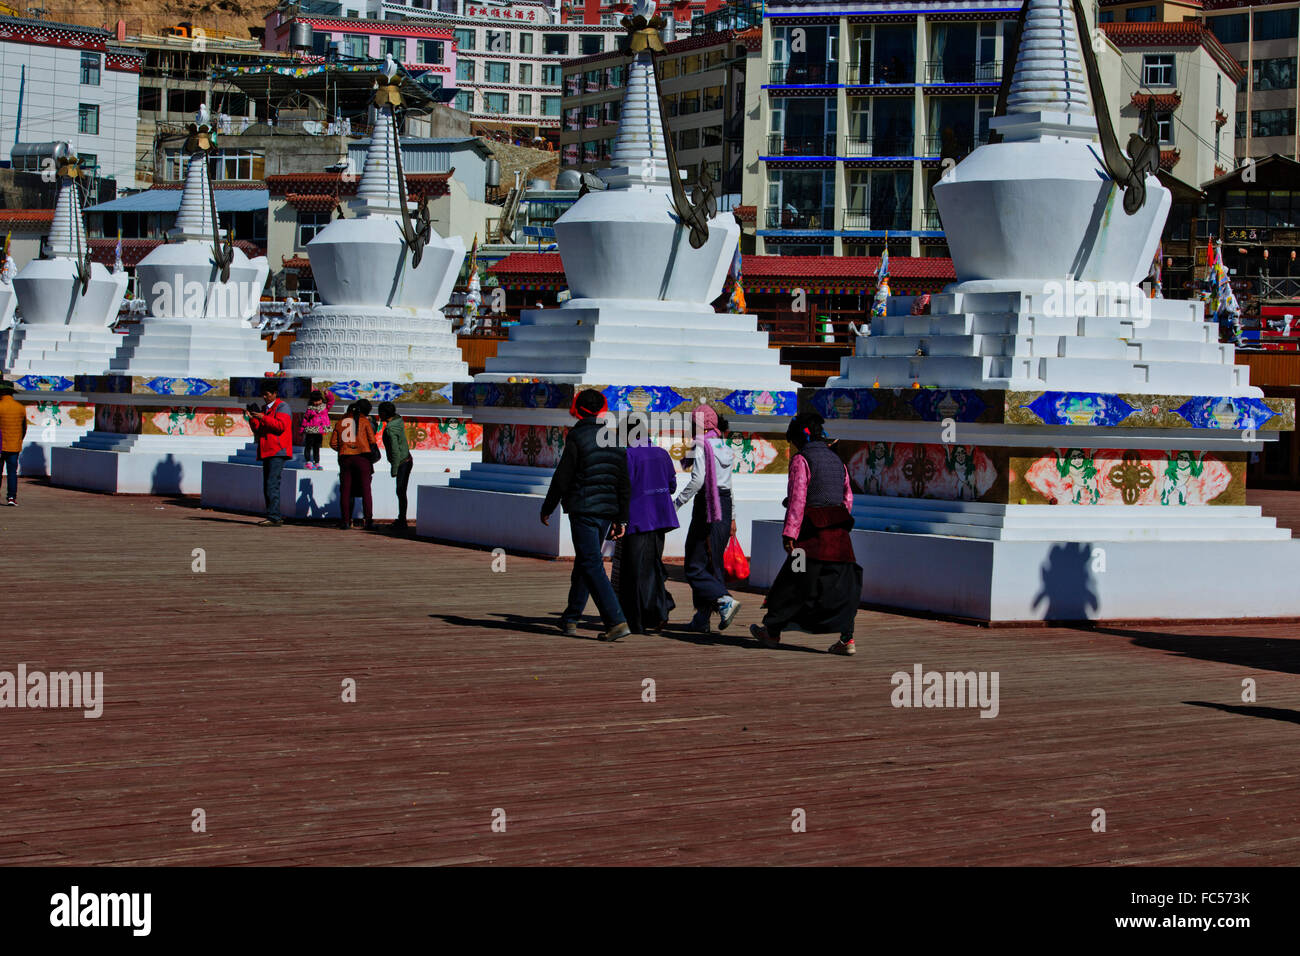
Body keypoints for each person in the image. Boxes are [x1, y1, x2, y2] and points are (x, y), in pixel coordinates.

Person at [751, 412, 863, 656]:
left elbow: (798, 500)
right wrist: (838, 520)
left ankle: (772, 632)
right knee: (842, 586)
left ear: (800, 438)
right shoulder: (837, 461)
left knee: (794, 581)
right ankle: (847, 639)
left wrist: (789, 534)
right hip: (839, 538)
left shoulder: (802, 460)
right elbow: (848, 498)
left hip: (810, 538)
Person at [540, 388, 631, 642]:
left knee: (590, 562)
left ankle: (615, 620)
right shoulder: (613, 438)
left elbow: (563, 476)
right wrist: (622, 517)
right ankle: (570, 618)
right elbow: (624, 482)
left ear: (578, 409)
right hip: (606, 510)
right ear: (602, 410)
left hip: (583, 508)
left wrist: (548, 507)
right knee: (585, 561)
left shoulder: (577, 437)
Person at [674, 404, 740, 633]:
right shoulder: (722, 445)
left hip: (707, 505)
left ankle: (724, 601)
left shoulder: (701, 445)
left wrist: (676, 504)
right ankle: (702, 617)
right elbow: (729, 485)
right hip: (723, 505)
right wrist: (732, 517)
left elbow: (697, 480)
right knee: (710, 563)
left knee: (694, 564)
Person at [613, 414, 678, 634]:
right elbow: (672, 485)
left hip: (637, 519)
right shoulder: (662, 453)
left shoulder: (628, 455)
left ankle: (640, 618)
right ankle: (658, 611)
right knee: (652, 565)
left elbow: (623, 489)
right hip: (660, 518)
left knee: (633, 571)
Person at [246, 382, 292, 527]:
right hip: (267, 449)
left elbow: (280, 426)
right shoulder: (265, 410)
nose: (265, 397)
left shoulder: (282, 407)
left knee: (272, 484)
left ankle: (274, 516)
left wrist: (262, 417)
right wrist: (253, 418)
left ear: (274, 394)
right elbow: (258, 430)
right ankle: (272, 514)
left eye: (267, 394)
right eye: (263, 394)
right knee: (268, 485)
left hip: (277, 450)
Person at [329, 398, 377, 531]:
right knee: (366, 490)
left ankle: (345, 521)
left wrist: (345, 448)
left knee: (345, 490)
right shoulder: (364, 421)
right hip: (362, 458)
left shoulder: (341, 422)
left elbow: (333, 443)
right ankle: (368, 521)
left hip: (345, 458)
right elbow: (372, 440)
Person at [378, 401, 412, 531]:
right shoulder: (398, 421)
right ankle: (401, 518)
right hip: (407, 458)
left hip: (402, 461)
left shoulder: (390, 429)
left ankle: (402, 520)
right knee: (401, 491)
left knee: (400, 490)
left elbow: (395, 450)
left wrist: (394, 469)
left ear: (384, 413)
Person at [0, 381, 26, 506]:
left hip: (0, 446)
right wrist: (18, 440)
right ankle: (11, 497)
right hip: (14, 446)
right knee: (12, 473)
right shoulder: (20, 407)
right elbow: (24, 428)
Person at [301, 389, 334, 469]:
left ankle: (317, 462)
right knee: (308, 446)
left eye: (318, 400)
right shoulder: (310, 409)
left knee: (317, 447)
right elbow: (305, 419)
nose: (317, 403)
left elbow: (331, 401)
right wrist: (302, 429)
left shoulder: (325, 408)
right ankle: (308, 461)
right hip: (310, 430)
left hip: (319, 431)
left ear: (321, 399)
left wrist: (327, 394)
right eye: (315, 401)